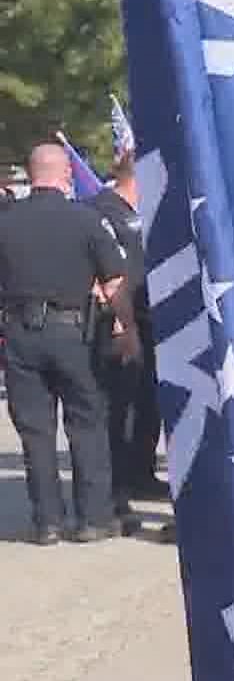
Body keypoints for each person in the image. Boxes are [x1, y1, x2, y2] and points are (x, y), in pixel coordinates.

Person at [0, 143, 137, 544]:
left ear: (32, 172)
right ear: (66, 176)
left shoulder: (5, 222)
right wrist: (127, 328)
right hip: (75, 334)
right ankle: (93, 518)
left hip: (20, 334)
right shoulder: (86, 220)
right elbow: (114, 283)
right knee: (87, 423)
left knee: (35, 431)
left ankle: (47, 522)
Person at [90, 154, 164, 527]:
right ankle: (116, 485)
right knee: (121, 408)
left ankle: (142, 473)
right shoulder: (102, 209)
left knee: (151, 403)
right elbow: (97, 269)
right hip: (121, 322)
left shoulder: (150, 207)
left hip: (153, 317)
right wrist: (120, 321)